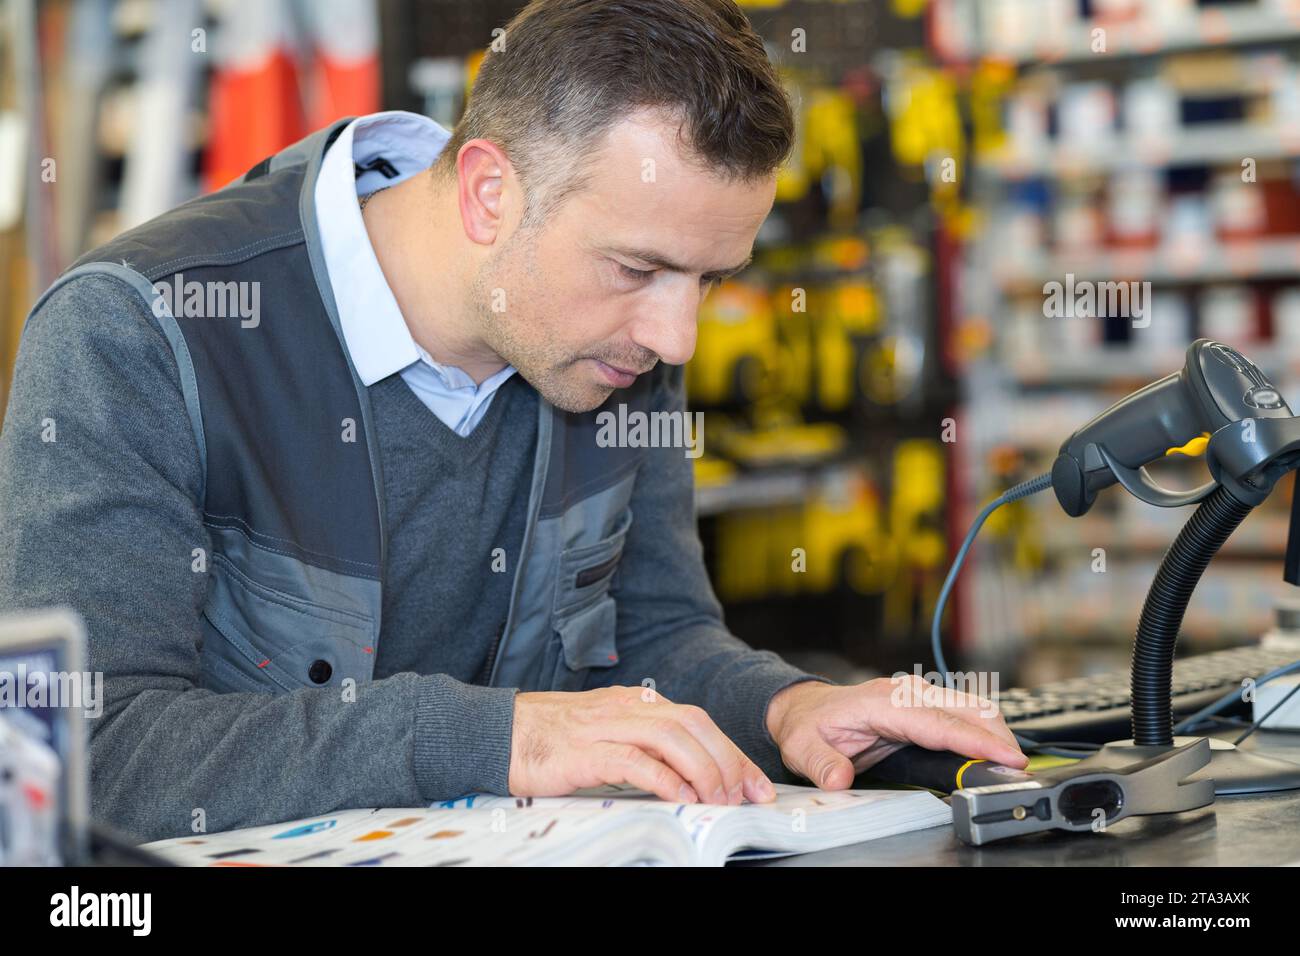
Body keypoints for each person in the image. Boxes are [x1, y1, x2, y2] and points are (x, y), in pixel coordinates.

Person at [0, 0, 1024, 843]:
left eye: (709, 278)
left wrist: (780, 706)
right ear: (490, 192)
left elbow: (653, 633)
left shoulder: (610, 346)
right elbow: (88, 750)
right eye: (638, 268)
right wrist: (498, 737)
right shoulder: (137, 333)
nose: (676, 336)